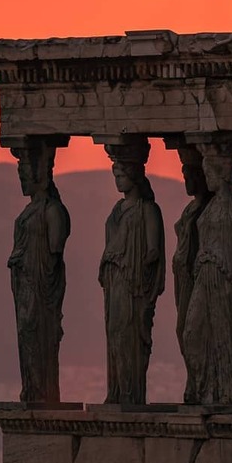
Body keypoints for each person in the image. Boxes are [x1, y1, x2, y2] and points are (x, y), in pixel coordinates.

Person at [182, 142, 232, 405]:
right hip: (204, 275)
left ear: (223, 173)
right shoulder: (208, 208)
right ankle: (204, 389)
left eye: (210, 172)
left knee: (225, 333)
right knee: (191, 334)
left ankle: (228, 392)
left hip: (225, 280)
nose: (207, 177)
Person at [99, 145, 165, 405]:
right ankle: (116, 391)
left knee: (128, 336)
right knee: (115, 335)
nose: (118, 180)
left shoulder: (147, 209)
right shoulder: (117, 209)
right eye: (115, 176)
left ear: (135, 176)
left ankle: (130, 393)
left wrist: (130, 258)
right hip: (115, 280)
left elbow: (153, 250)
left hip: (133, 282)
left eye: (121, 175)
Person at [7, 144, 70, 404]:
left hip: (41, 287)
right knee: (27, 337)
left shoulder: (53, 211)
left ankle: (43, 392)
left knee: (38, 336)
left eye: (25, 173)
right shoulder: (29, 212)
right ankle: (33, 390)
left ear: (39, 175)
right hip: (25, 286)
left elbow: (55, 249)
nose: (21, 179)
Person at [172, 145, 211, 393]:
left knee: (193, 330)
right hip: (183, 276)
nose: (187, 181)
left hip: (200, 277)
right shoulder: (189, 209)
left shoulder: (208, 208)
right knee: (182, 328)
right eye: (185, 176)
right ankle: (195, 383)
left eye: (192, 176)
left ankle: (202, 385)